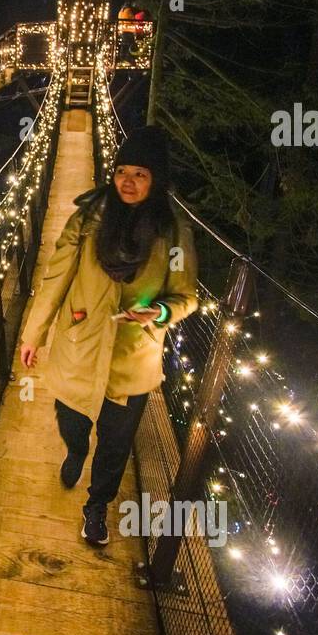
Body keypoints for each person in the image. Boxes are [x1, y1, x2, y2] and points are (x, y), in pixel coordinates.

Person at [18, 126, 198, 546]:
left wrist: (160, 311)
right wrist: (33, 335)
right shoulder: (87, 219)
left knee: (116, 445)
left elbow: (185, 297)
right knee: (71, 421)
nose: (128, 182)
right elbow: (55, 279)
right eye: (121, 172)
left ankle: (96, 507)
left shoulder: (173, 233)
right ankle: (76, 451)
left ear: (156, 180)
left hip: (132, 356)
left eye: (140, 174)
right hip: (80, 344)